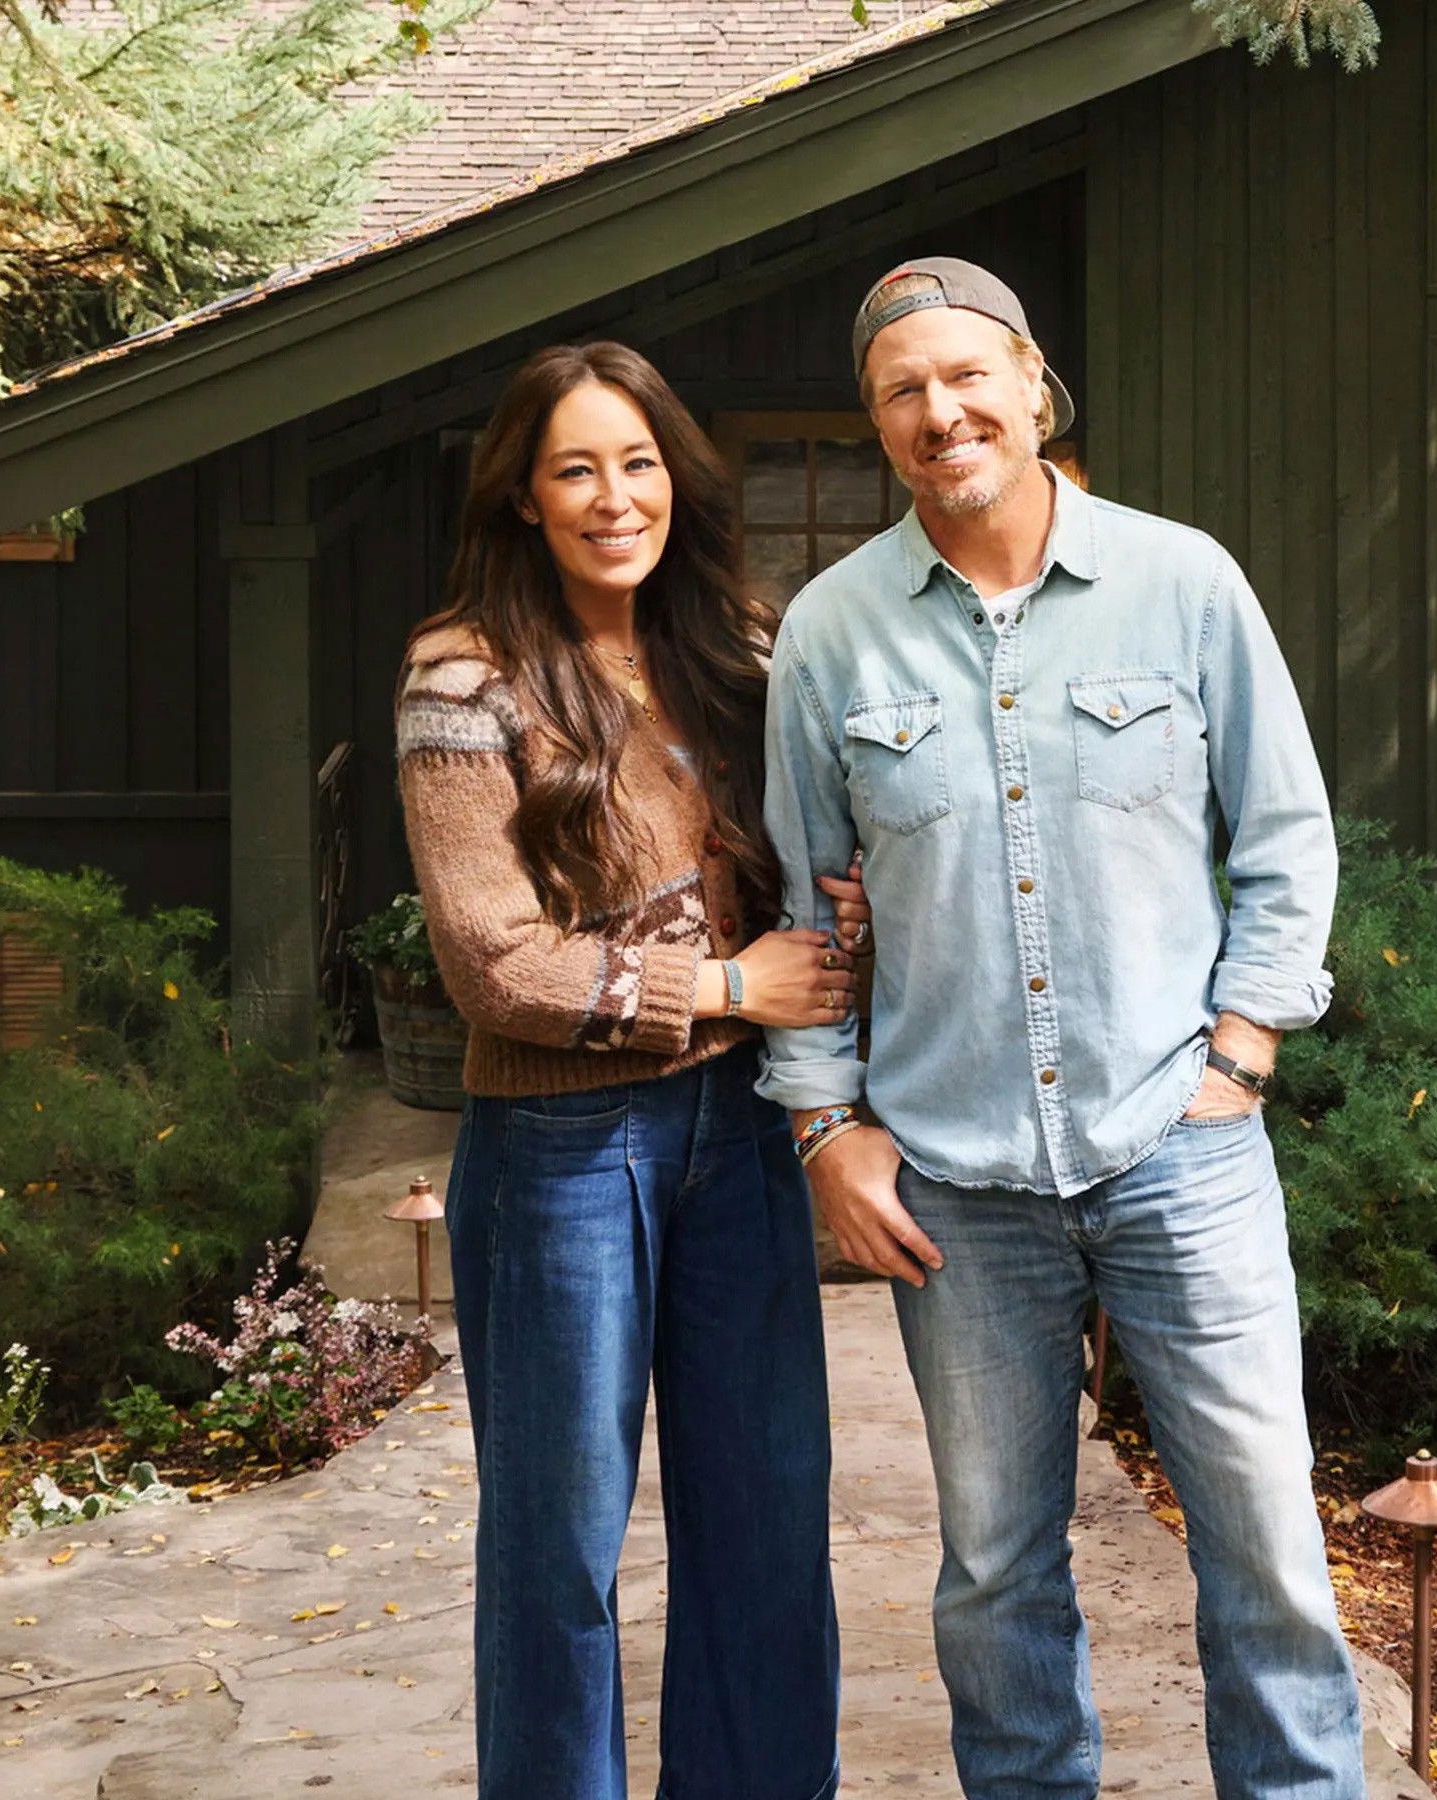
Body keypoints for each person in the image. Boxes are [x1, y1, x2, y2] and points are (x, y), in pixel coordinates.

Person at [757, 257, 1365, 1800]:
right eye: (902, 390)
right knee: (993, 1580)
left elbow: (1287, 837)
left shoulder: (1185, 582)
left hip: (1178, 1145)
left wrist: (1243, 1051)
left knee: (1269, 1554)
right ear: (881, 425)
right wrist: (827, 1128)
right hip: (958, 1183)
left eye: (967, 377)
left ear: (1035, 385)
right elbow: (808, 913)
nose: (939, 412)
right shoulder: (832, 634)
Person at [397, 339, 865, 1800]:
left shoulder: (740, 643)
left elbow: (809, 855)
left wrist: (843, 906)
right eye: (576, 469)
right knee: (558, 1547)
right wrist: (728, 984)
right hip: (561, 1156)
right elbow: (492, 964)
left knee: (768, 1522)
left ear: (679, 476)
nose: (615, 496)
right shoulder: (461, 677)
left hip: (742, 1134)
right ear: (525, 500)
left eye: (640, 461)